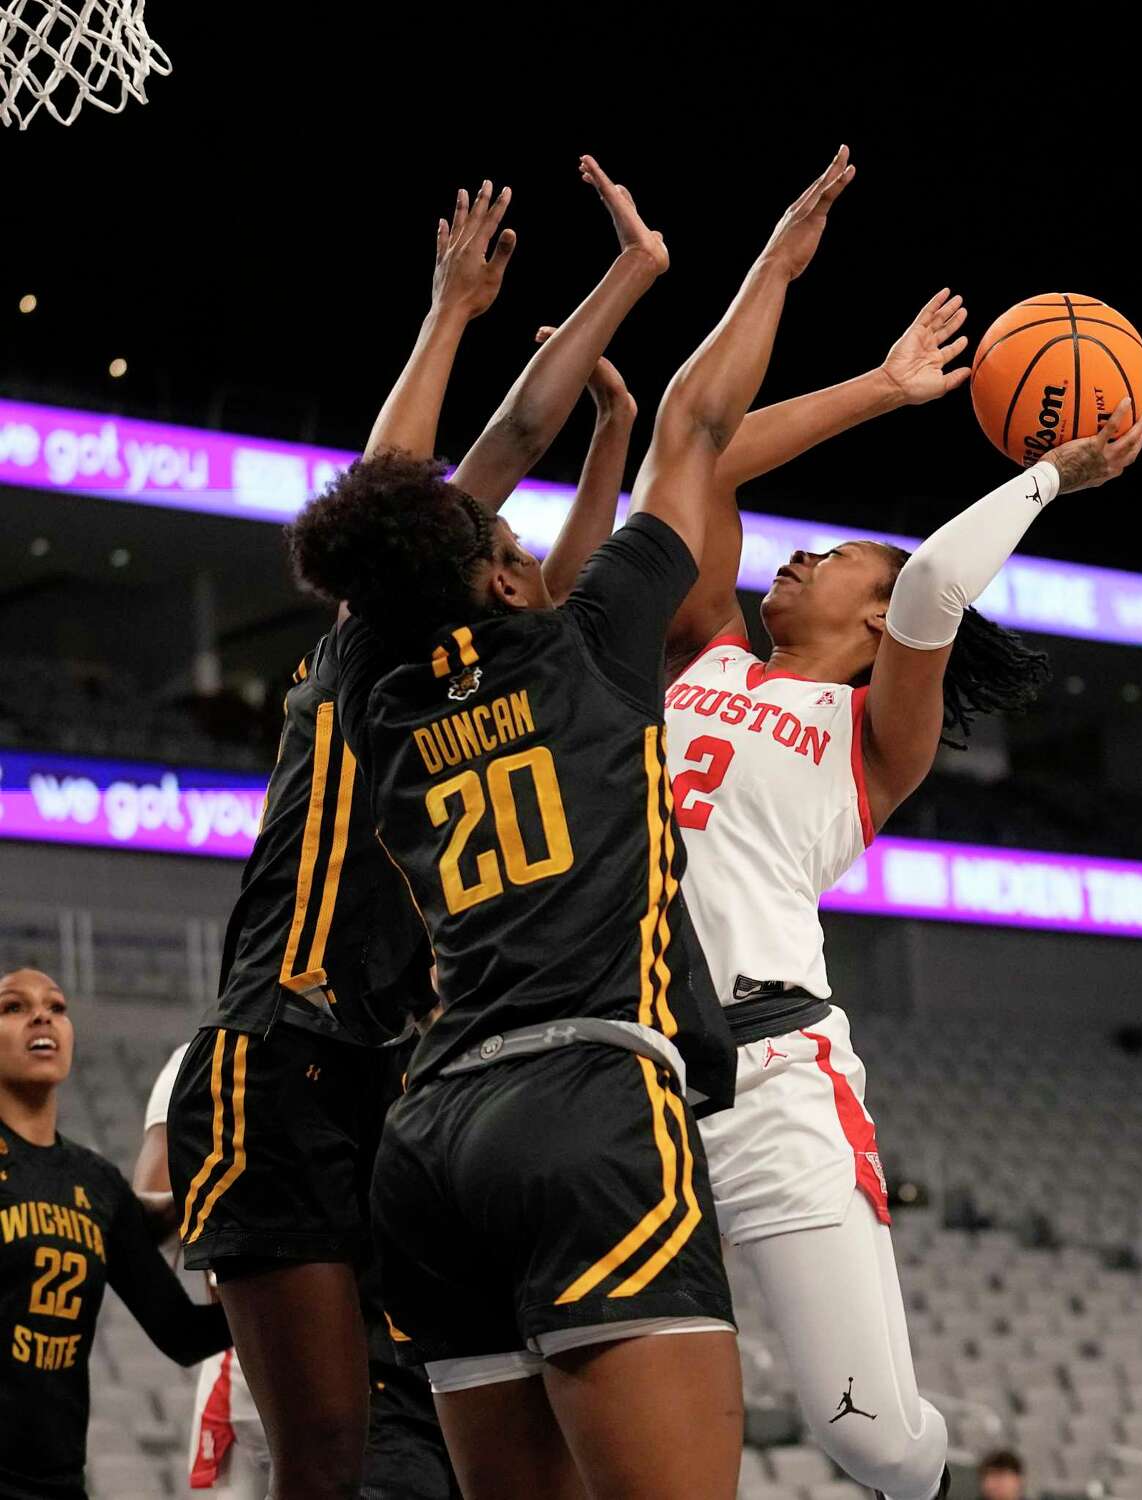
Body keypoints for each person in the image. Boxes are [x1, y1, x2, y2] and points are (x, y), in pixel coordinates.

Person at [289, 146, 857, 1500]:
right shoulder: (591, 643)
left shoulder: (373, 684)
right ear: (500, 572)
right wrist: (771, 264)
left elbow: (393, 514)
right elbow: (697, 427)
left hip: (433, 1145)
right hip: (591, 1105)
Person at [168, 165, 660, 1500]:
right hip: (275, 1052)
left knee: (428, 1435)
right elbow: (472, 445)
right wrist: (461, 311)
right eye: (470, 529)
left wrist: (630, 295)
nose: (488, 524)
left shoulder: (507, 674)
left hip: (394, 1074)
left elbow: (552, 559)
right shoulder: (368, 644)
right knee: (323, 1453)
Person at [661, 257, 1142, 1500]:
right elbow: (707, 464)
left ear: (874, 620)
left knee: (868, 1438)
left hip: (773, 1082)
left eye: (830, 556)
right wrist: (881, 388)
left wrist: (1049, 475)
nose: (799, 556)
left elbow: (937, 582)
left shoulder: (876, 732)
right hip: (629, 1079)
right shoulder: (704, 652)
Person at [0, 969, 230, 1500]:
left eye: (57, 1007)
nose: (43, 1016)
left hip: (58, 1482)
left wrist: (297, 1300)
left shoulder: (97, 1183)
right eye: (15, 1007)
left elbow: (181, 1334)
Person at [137, 1042, 271, 1498]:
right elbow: (149, 1214)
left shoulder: (387, 1047)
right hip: (245, 1344)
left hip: (366, 1341)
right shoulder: (201, 1057)